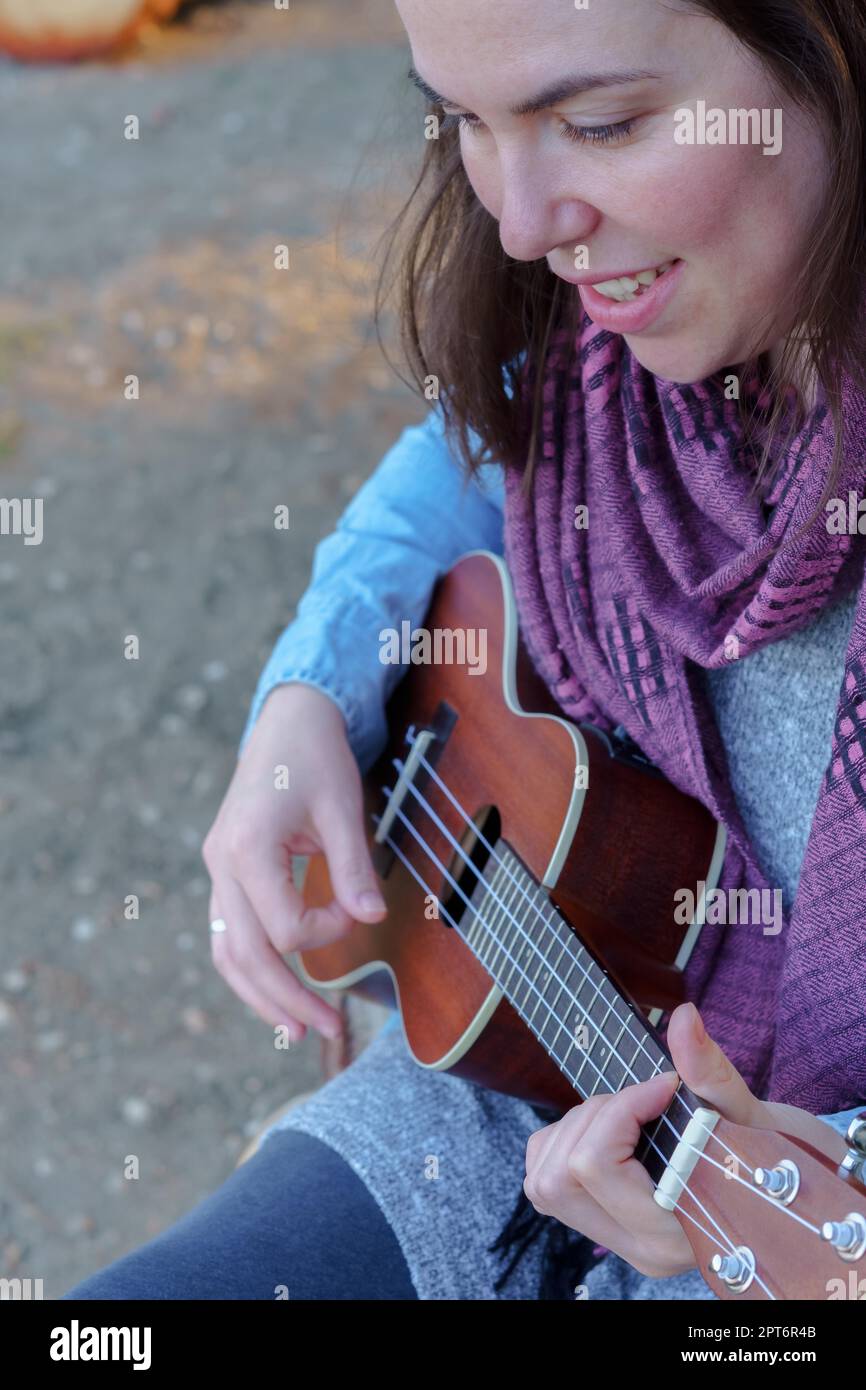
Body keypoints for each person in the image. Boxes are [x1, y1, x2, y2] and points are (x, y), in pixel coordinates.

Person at [63, 0, 866, 1300]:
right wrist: (306, 696)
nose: (518, 222)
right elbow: (459, 459)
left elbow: (810, 1238)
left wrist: (829, 1177)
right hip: (504, 1075)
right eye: (465, 124)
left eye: (597, 122)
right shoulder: (602, 362)